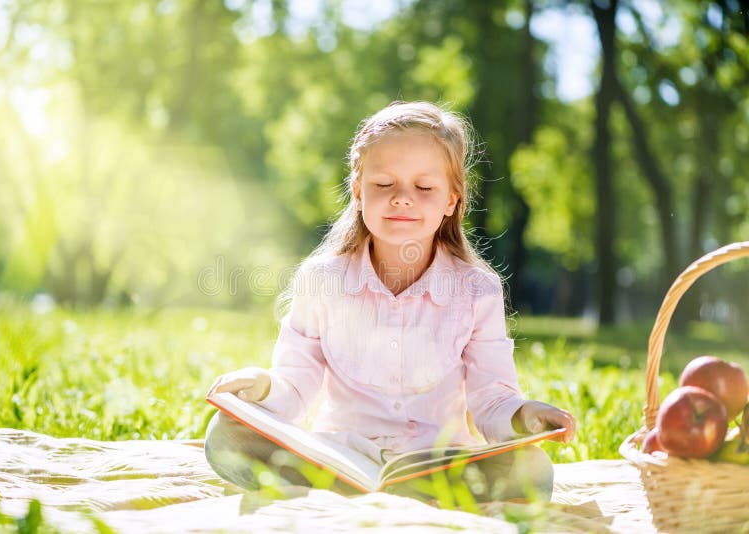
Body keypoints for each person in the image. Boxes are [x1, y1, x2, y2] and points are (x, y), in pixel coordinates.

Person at [204, 101, 576, 502]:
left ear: (451, 200)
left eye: (424, 187)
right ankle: (359, 488)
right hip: (339, 455)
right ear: (358, 192)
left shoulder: (476, 290)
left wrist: (525, 415)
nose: (402, 198)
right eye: (384, 185)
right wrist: (260, 388)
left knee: (532, 470)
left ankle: (396, 491)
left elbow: (492, 398)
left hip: (439, 462)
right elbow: (294, 385)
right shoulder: (321, 281)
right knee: (224, 436)